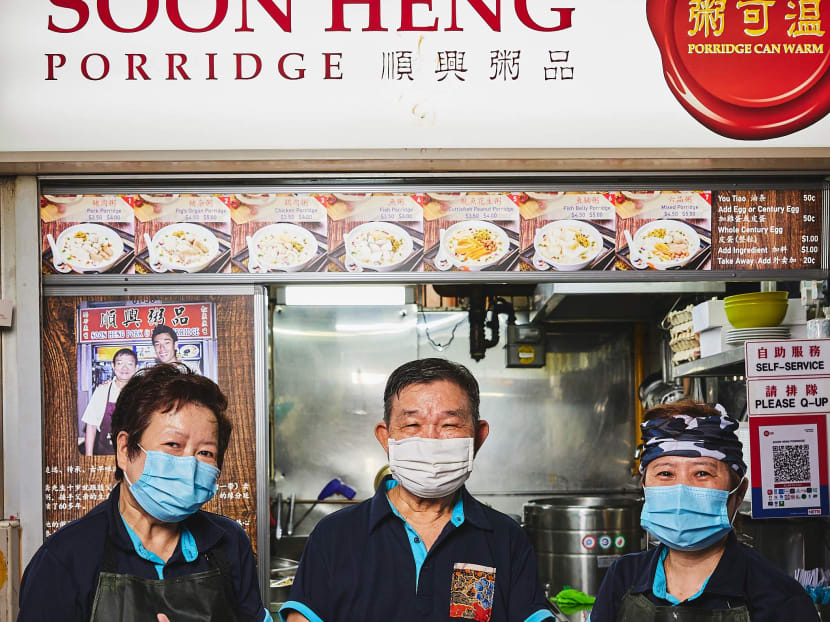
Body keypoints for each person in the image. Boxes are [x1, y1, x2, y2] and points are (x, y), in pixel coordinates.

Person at [280, 357, 556, 622]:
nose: (430, 440)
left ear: (478, 437)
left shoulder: (506, 538)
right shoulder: (334, 536)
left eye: (449, 424)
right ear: (386, 438)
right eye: (412, 424)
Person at [19, 363, 272, 622]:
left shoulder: (229, 542)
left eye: (205, 452)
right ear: (124, 449)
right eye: (173, 444)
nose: (190, 465)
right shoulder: (65, 557)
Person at [590, 400, 818, 622]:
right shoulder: (623, 577)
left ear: (738, 493)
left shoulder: (780, 597)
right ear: (645, 487)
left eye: (702, 473)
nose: (681, 490)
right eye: (665, 474)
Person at [82, 347, 139, 456]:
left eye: (130, 364)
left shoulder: (144, 391)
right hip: (107, 454)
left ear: (136, 367)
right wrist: (88, 457)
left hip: (135, 456)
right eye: (120, 363)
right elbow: (91, 425)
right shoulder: (102, 391)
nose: (124, 368)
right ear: (113, 366)